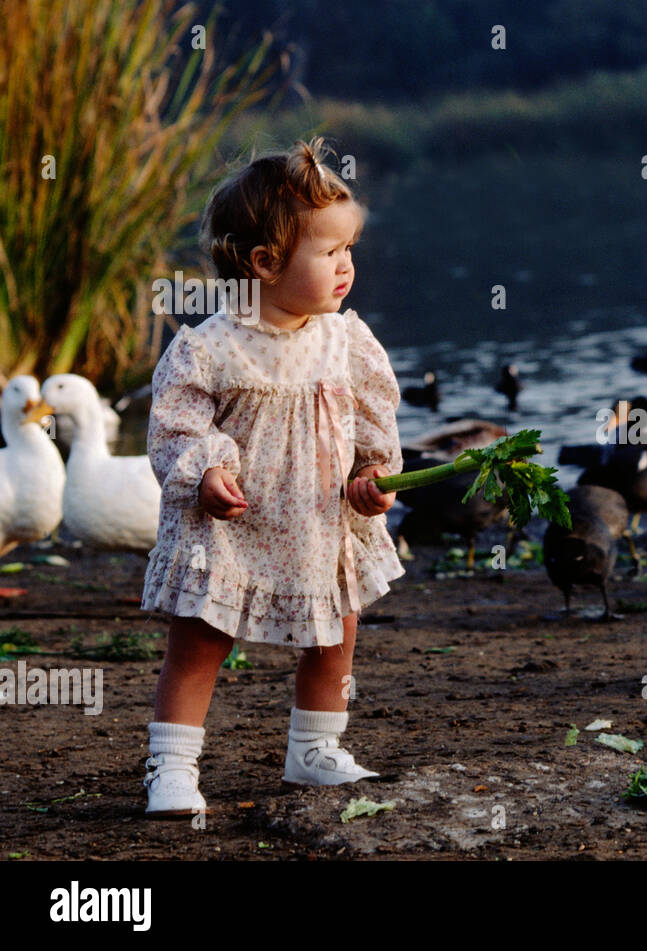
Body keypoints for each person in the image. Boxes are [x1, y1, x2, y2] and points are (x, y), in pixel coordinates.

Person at [139, 138, 403, 815]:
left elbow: (370, 430)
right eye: (328, 252)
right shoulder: (210, 348)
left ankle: (314, 749)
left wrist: (371, 476)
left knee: (336, 634)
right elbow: (175, 428)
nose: (345, 267)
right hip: (234, 527)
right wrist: (205, 473)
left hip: (320, 523)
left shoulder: (346, 341)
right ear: (265, 262)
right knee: (199, 643)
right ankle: (171, 766)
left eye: (349, 251)